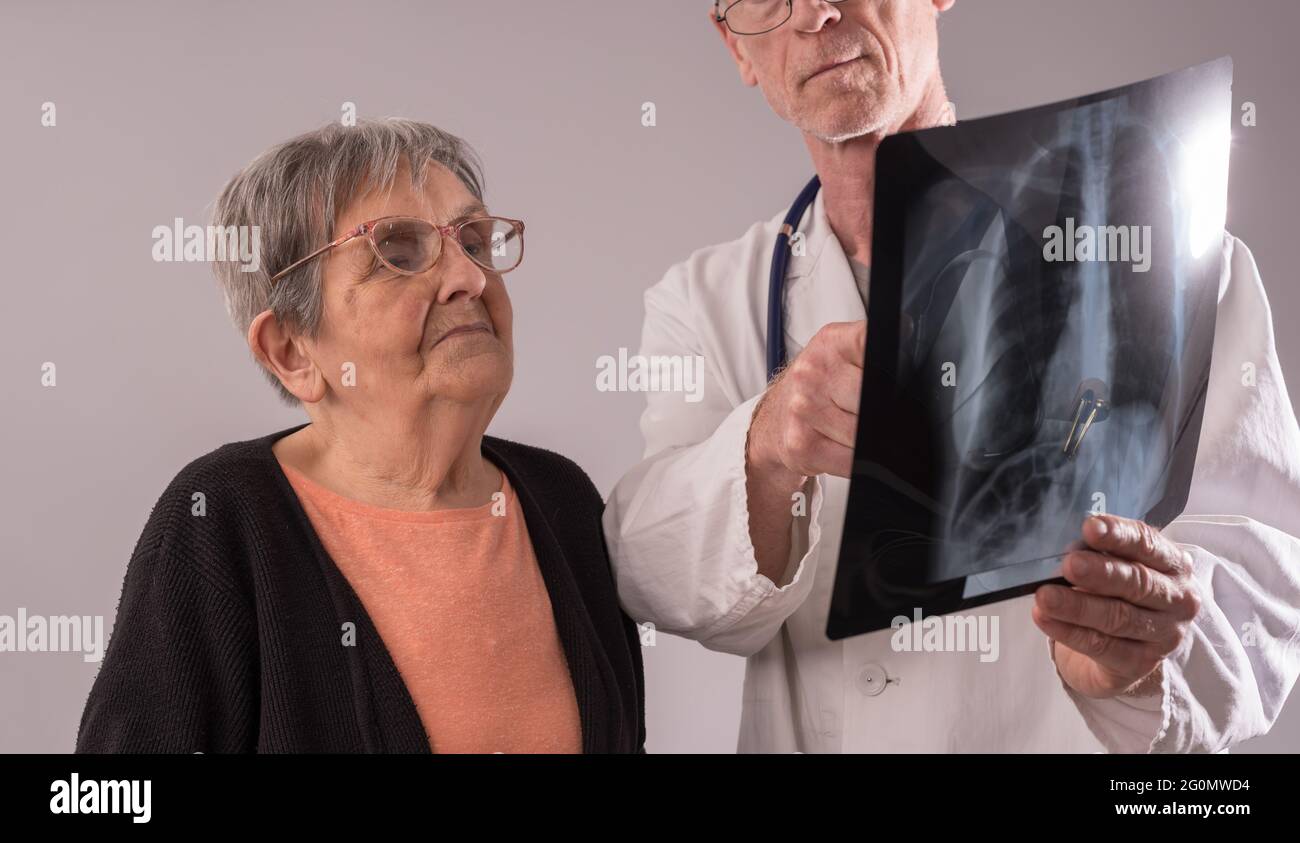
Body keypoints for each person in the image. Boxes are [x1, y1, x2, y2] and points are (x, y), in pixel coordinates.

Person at [603, 0, 1300, 752]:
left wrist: (1137, 660)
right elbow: (646, 571)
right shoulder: (706, 300)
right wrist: (766, 448)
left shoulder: (1170, 255)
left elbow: (1263, 592)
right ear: (736, 46)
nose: (815, 13)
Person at [77, 119, 645, 754]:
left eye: (477, 242)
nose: (471, 279)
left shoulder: (561, 497)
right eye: (398, 253)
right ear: (292, 350)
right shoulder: (222, 520)